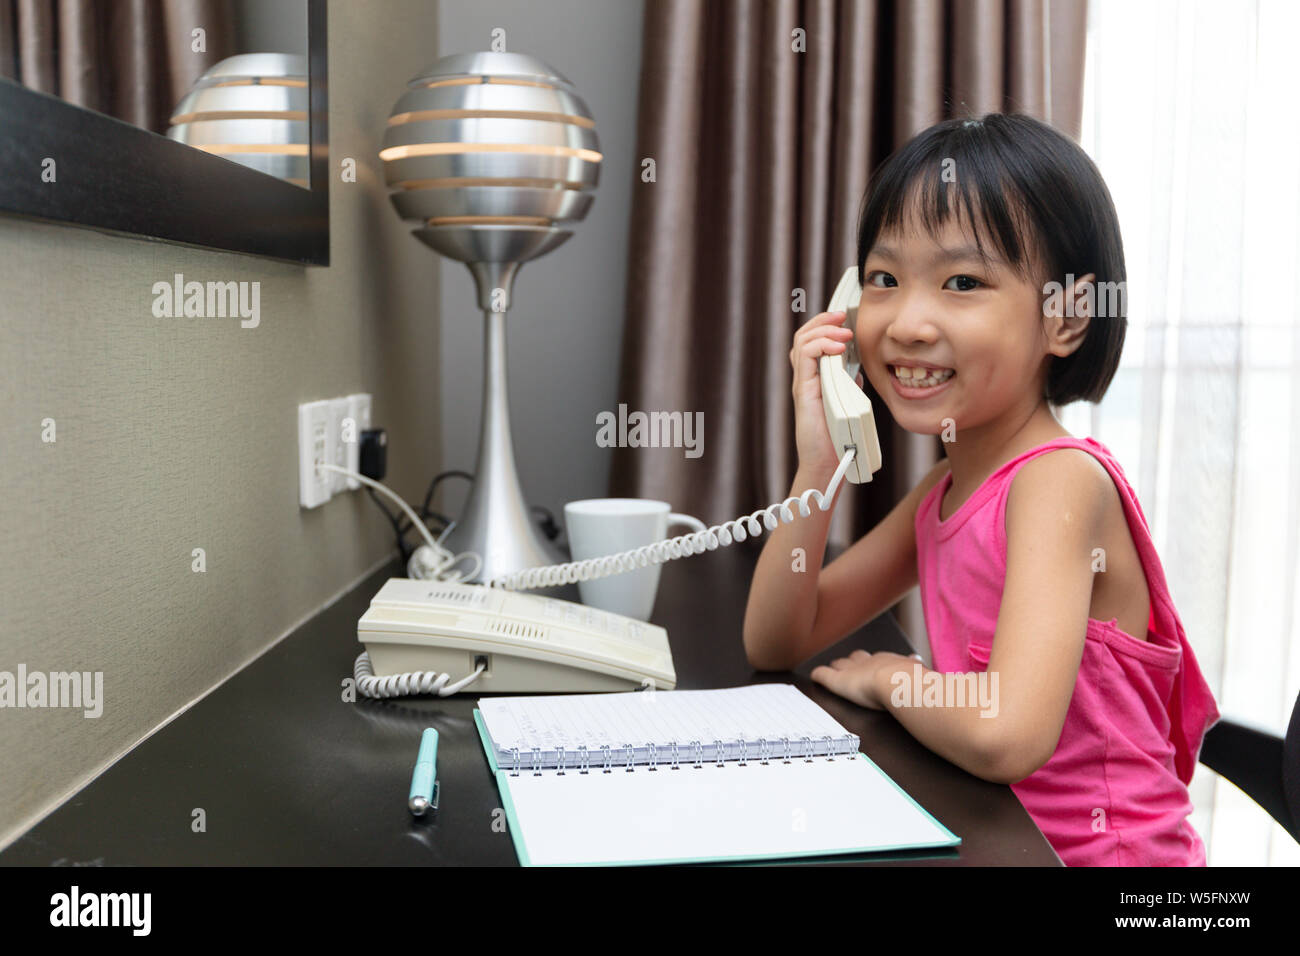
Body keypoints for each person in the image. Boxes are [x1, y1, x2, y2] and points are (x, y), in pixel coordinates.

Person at [742, 113, 1220, 866]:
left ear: (1064, 317)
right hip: (995, 838)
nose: (907, 322)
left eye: (963, 282)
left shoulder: (1059, 483)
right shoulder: (947, 489)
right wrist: (819, 464)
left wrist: (895, 678)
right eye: (883, 280)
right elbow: (777, 639)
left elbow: (1004, 733)